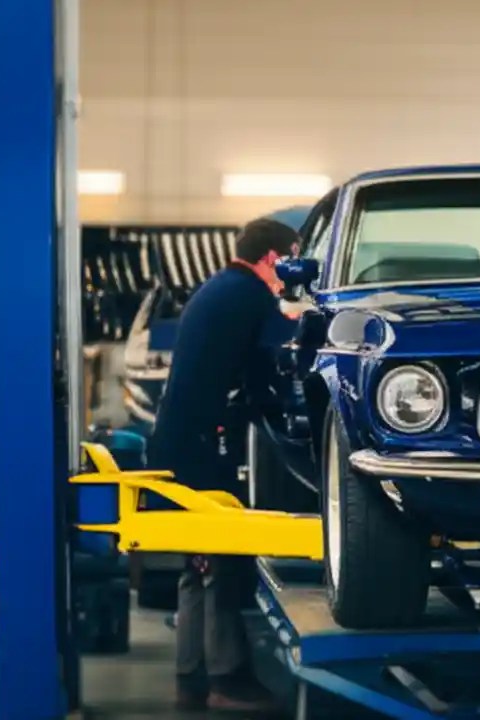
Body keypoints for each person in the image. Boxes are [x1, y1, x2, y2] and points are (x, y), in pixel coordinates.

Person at [147, 217, 300, 713]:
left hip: (182, 444)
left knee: (197, 565)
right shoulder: (250, 296)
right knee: (219, 563)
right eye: (293, 260)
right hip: (201, 448)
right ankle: (226, 679)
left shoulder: (218, 289)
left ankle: (191, 679)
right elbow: (275, 361)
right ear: (274, 258)